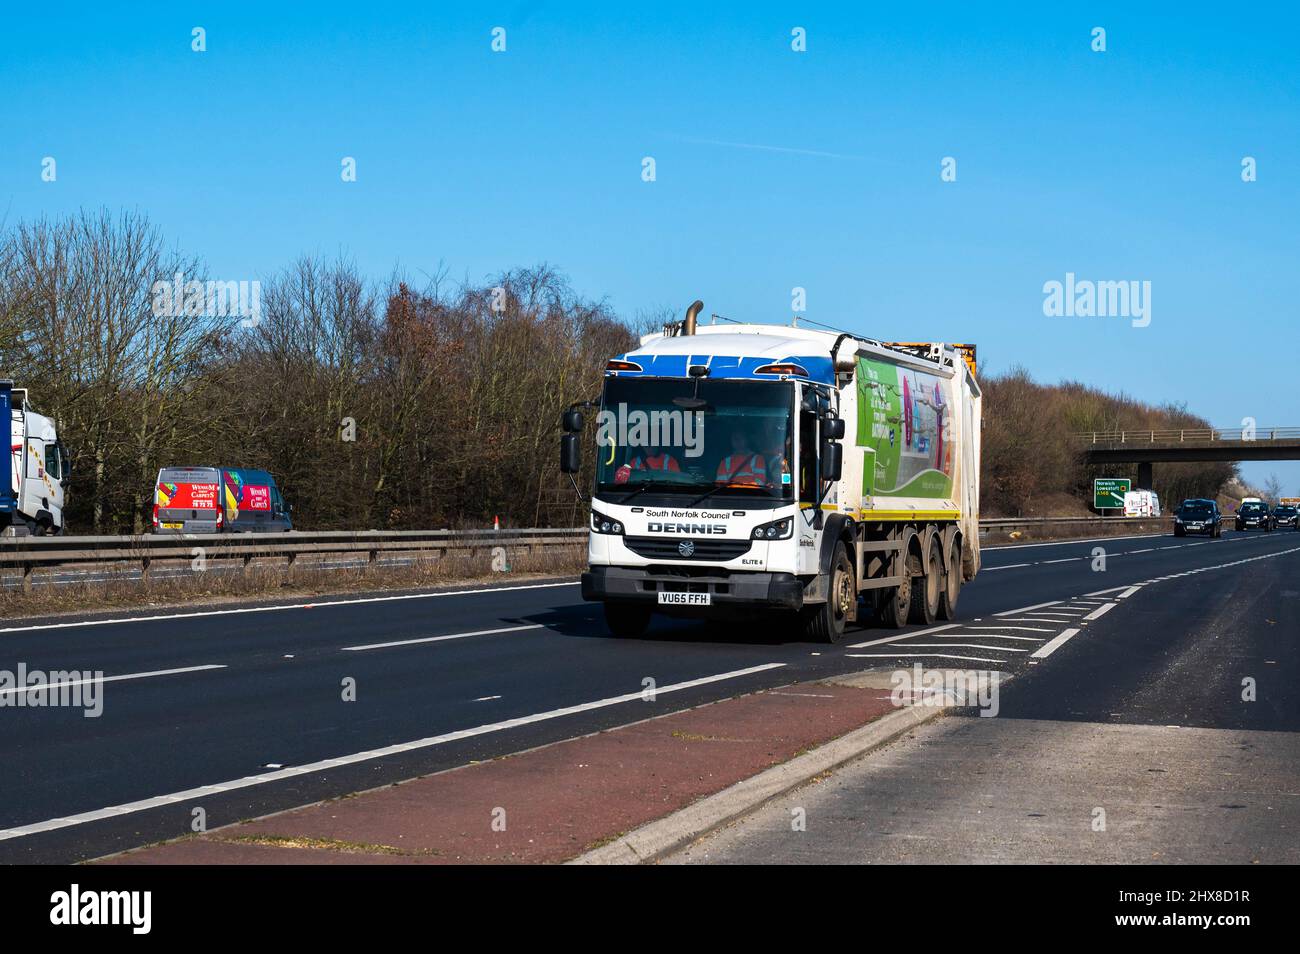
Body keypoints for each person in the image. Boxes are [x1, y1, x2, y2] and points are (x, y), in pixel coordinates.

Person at [759, 418, 790, 489]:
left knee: (784, 468)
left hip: (779, 459)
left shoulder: (782, 433)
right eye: (766, 421)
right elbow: (757, 451)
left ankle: (786, 486)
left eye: (770, 420)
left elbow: (786, 447)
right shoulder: (757, 435)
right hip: (763, 461)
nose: (768, 423)